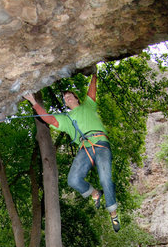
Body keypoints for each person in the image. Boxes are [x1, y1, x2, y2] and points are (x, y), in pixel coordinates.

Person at [24, 71, 120, 232]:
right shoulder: (66, 119)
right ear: (66, 104)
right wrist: (33, 101)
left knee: (105, 178)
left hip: (101, 143)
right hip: (85, 148)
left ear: (76, 98)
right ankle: (95, 193)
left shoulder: (88, 106)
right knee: (73, 180)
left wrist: (94, 75)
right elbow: (49, 119)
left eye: (70, 96)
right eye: (65, 99)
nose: (67, 99)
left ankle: (113, 213)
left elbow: (92, 91)